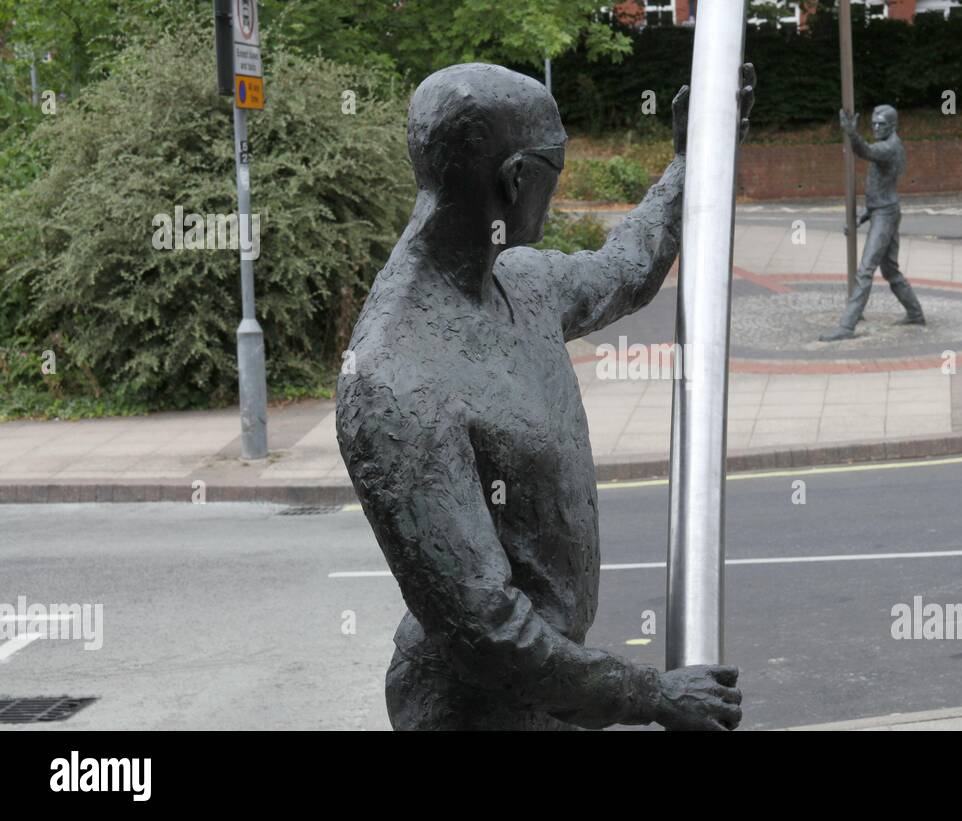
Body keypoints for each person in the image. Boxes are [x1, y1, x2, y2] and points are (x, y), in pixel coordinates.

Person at [336, 63, 755, 730]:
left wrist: (691, 160)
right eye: (557, 163)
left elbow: (625, 269)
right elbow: (484, 626)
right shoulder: (393, 378)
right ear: (517, 179)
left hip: (545, 701)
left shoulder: (521, 283)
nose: (557, 186)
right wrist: (649, 694)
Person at [820, 104, 925, 342]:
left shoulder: (889, 147)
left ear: (893, 126)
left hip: (886, 215)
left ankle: (847, 326)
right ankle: (915, 313)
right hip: (884, 210)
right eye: (874, 123)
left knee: (866, 270)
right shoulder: (888, 145)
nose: (876, 127)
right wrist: (863, 216)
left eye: (881, 124)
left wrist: (852, 134)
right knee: (890, 270)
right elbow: (881, 189)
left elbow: (865, 151)